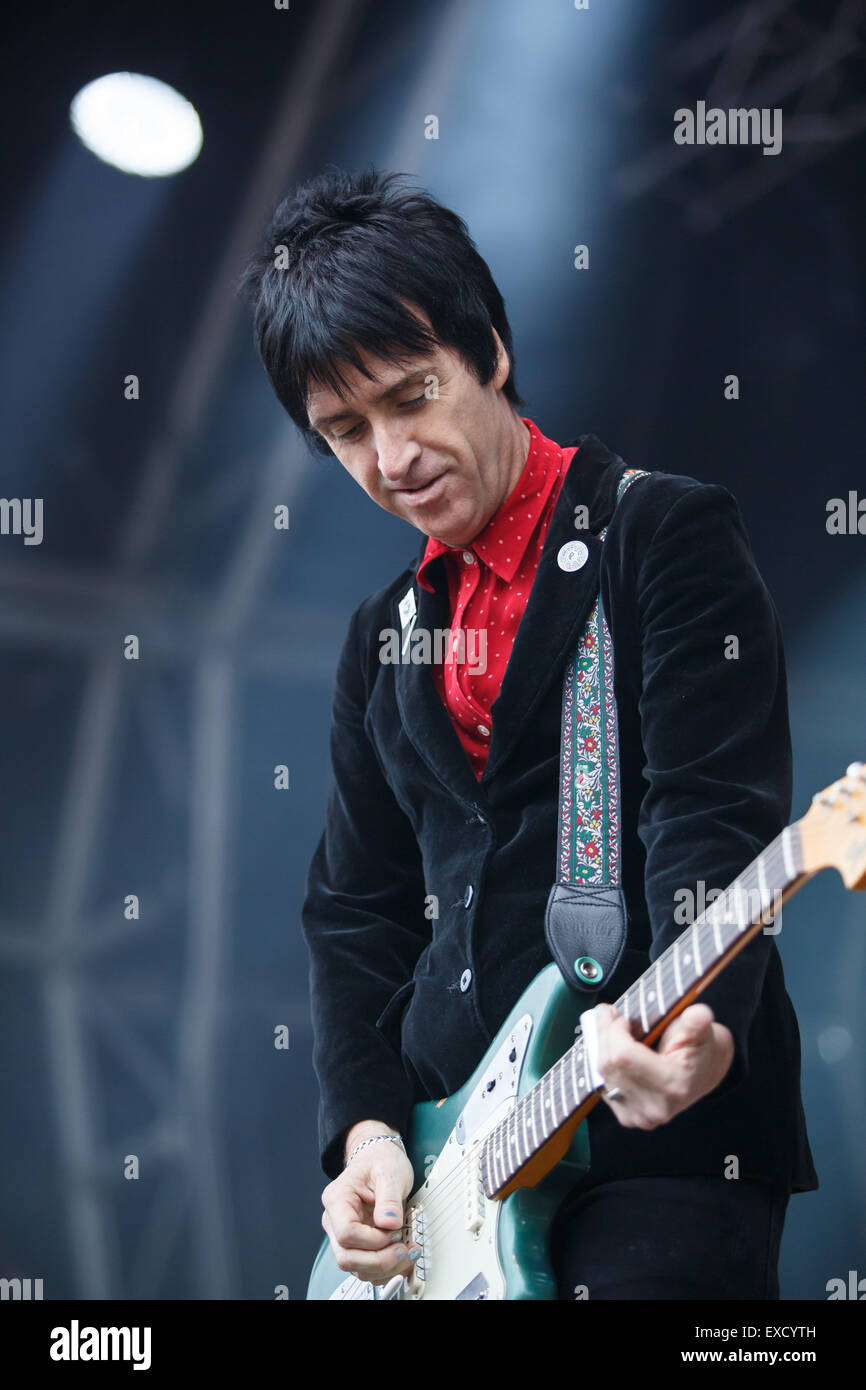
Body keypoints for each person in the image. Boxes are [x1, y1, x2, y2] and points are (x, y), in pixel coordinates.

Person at [239, 165, 818, 1300]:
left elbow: (710, 819)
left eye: (411, 397)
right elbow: (354, 914)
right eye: (344, 431)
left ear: (490, 353)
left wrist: (694, 1027)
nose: (389, 460)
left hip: (651, 1142)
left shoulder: (656, 533)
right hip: (454, 1176)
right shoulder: (380, 638)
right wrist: (364, 1133)